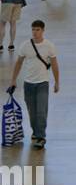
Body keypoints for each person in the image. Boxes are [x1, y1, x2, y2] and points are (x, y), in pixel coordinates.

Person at [9, 19, 59, 147]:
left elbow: (54, 65)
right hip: (28, 83)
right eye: (33, 29)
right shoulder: (25, 45)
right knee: (32, 112)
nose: (35, 32)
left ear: (43, 31)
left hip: (43, 83)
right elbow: (19, 63)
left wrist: (57, 82)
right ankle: (36, 132)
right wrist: (13, 80)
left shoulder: (49, 46)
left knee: (41, 111)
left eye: (37, 30)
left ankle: (41, 137)